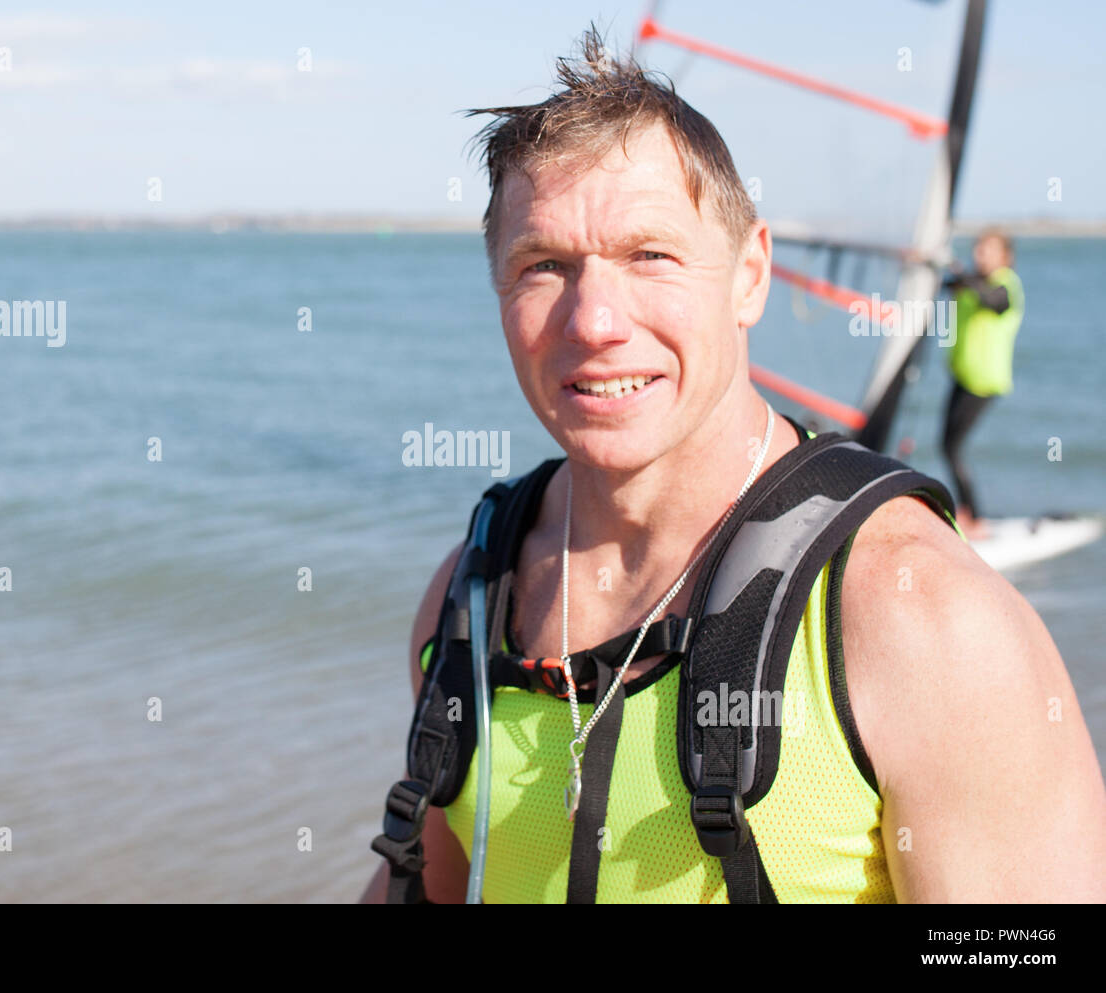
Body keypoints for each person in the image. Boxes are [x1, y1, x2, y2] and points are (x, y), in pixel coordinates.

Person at [361, 28, 1105, 903]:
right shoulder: (470, 602)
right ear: (497, 290)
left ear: (750, 274)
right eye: (544, 265)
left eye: (650, 255)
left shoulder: (921, 619)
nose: (594, 320)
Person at [940, 230, 1024, 539]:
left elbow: (992, 300)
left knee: (953, 447)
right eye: (978, 249)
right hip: (961, 376)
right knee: (946, 445)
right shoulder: (969, 282)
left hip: (985, 382)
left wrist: (962, 275)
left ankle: (975, 517)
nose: (980, 255)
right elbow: (947, 285)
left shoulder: (1006, 286)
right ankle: (967, 511)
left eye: (988, 250)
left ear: (1005, 256)